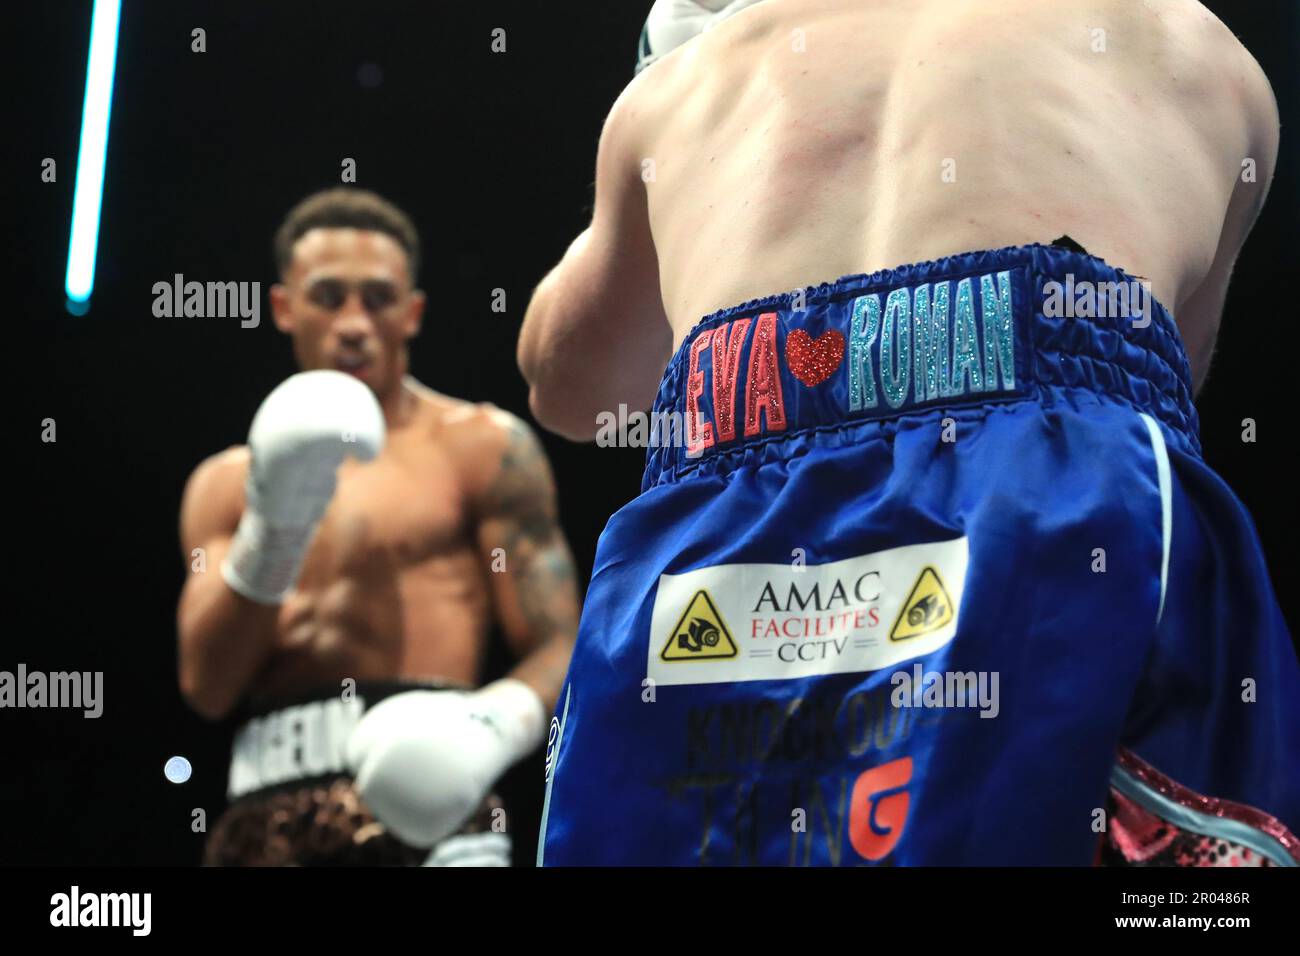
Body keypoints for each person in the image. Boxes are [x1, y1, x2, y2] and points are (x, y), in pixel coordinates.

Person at [521, 0, 1299, 865]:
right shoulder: (1191, 43)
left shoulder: (692, 79)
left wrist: (665, 90)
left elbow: (567, 388)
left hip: (721, 509)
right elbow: (1171, 377)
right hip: (1058, 476)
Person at [178, 188, 580, 866]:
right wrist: (274, 524)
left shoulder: (480, 447)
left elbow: (562, 642)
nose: (355, 323)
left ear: (413, 313)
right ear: (283, 307)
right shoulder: (224, 483)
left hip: (434, 792)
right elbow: (209, 688)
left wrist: (489, 726)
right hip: (265, 811)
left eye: (379, 298)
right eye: (329, 297)